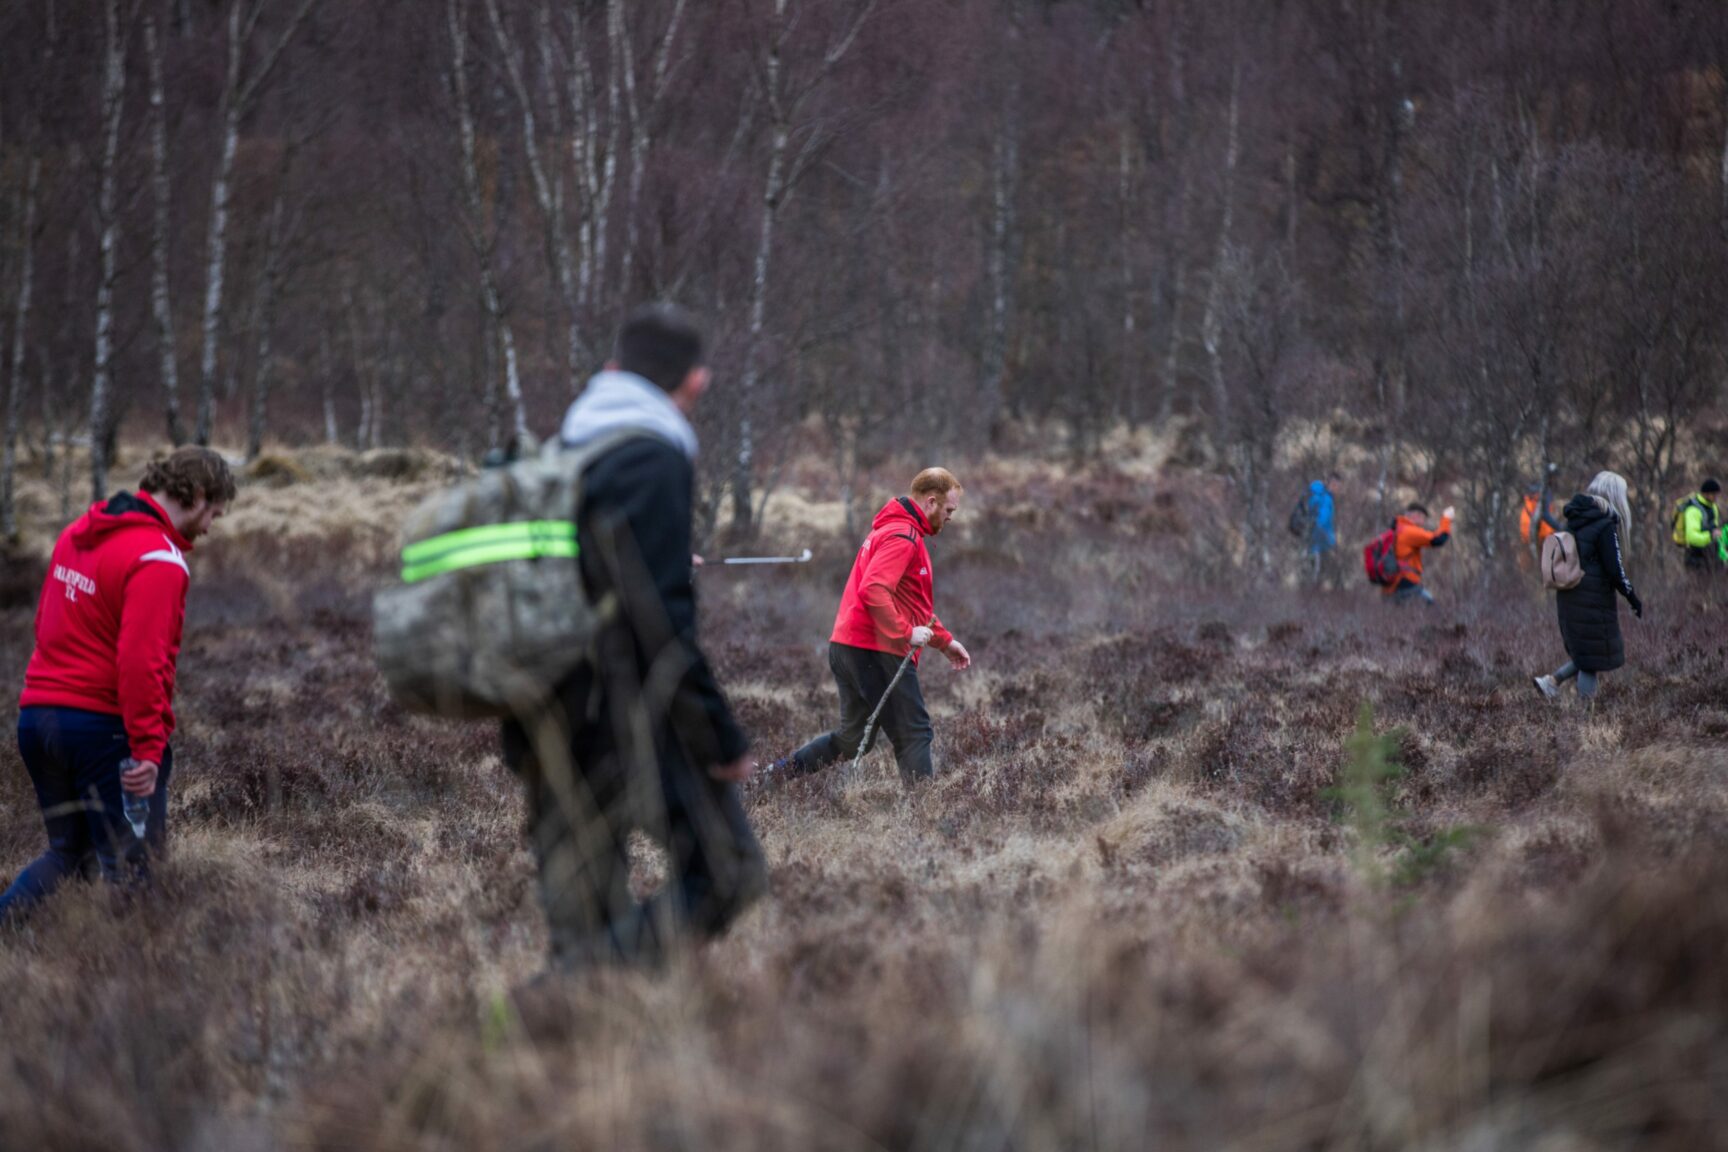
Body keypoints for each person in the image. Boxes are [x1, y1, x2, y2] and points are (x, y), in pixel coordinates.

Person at [500, 305, 765, 971]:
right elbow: (660, 622)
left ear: (613, 368)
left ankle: (568, 1017)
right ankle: (555, 1000)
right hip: (620, 715)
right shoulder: (652, 454)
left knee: (584, 916)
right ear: (696, 381)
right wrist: (719, 738)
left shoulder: (569, 446)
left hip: (537, 709)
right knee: (728, 871)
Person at [1, 447, 234, 918]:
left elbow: (44, 623)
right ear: (197, 495)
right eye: (214, 512)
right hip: (104, 734)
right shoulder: (159, 559)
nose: (210, 526)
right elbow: (141, 664)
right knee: (136, 874)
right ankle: (137, 960)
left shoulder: (78, 532)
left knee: (68, 855)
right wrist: (147, 750)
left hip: (37, 721)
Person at [766, 469, 972, 787]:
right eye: (948, 510)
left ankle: (772, 776)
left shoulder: (893, 530)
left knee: (852, 739)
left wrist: (944, 642)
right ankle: (926, 810)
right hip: (876, 650)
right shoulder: (903, 537)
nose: (950, 518)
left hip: (847, 646)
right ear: (931, 502)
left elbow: (911, 601)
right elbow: (874, 590)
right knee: (914, 732)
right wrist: (906, 633)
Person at [1534, 471, 1642, 704]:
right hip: (1592, 599)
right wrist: (1632, 597)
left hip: (1569, 594)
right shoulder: (1605, 525)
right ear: (1616, 496)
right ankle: (1585, 718)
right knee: (1591, 660)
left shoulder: (1576, 518)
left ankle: (1551, 681)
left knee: (1587, 652)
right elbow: (1615, 569)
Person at [1384, 503, 1454, 607]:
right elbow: (1439, 539)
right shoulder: (1409, 531)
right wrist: (1446, 518)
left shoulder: (1396, 529)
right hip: (1406, 583)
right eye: (1424, 518)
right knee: (1434, 610)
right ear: (1416, 515)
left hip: (1389, 586)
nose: (1424, 522)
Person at [1295, 477, 1338, 587]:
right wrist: (1330, 541)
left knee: (1311, 569)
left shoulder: (1316, 496)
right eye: (1335, 485)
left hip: (1311, 537)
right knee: (1320, 572)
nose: (1337, 488)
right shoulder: (1326, 499)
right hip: (1319, 540)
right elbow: (1323, 521)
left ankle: (1307, 591)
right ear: (1329, 484)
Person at [1672, 477, 1721, 572]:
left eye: (1717, 494)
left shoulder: (1713, 507)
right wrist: (1710, 536)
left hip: (1710, 555)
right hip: (1695, 558)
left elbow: (1714, 528)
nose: (1716, 497)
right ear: (1706, 494)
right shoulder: (1693, 510)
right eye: (1714, 494)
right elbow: (1692, 538)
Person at [1518, 478, 1562, 573]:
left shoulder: (1528, 502)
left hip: (1527, 539)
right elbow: (1546, 520)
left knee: (1528, 570)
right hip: (1540, 539)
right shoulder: (1542, 500)